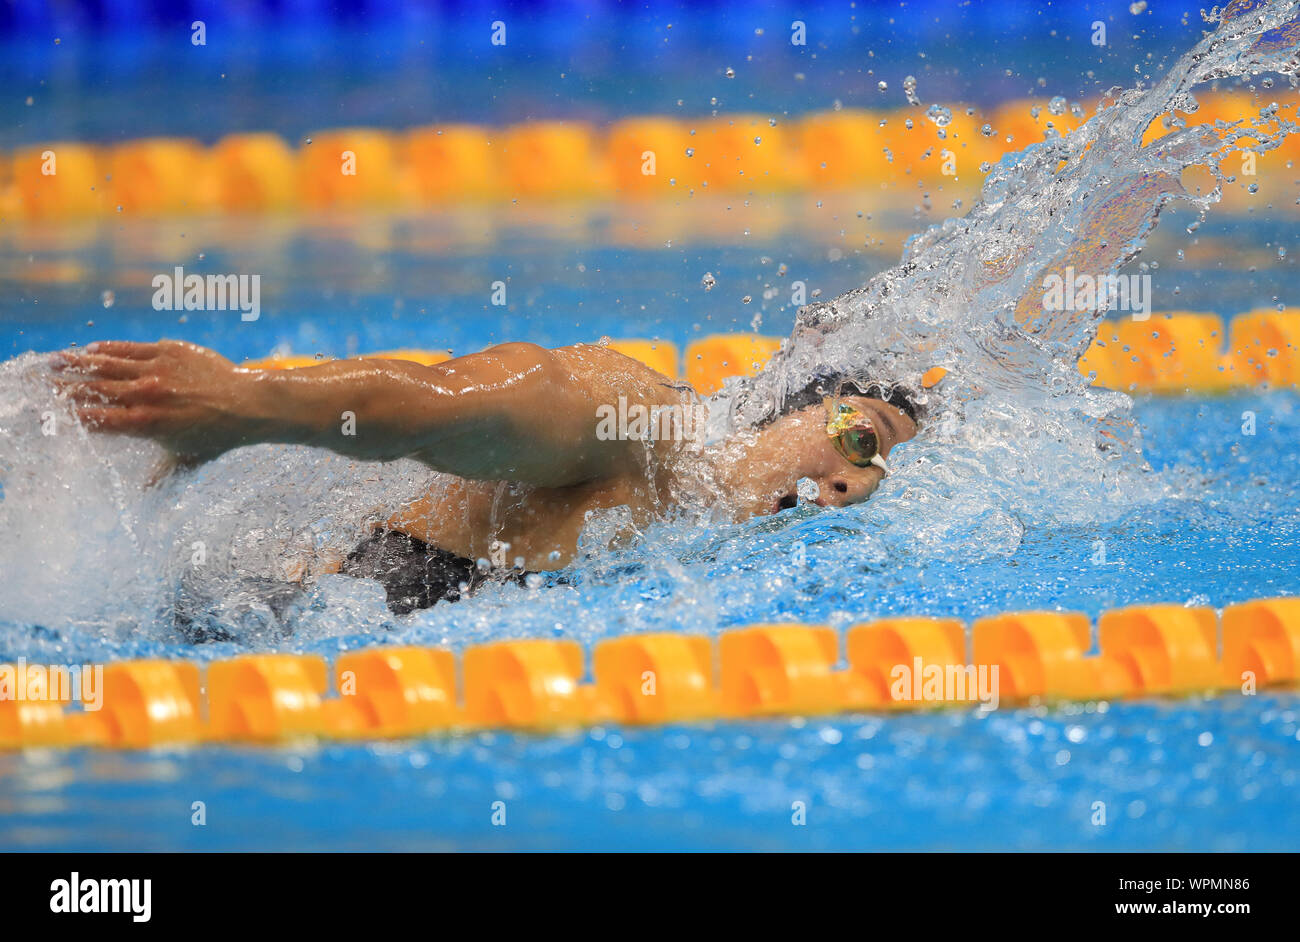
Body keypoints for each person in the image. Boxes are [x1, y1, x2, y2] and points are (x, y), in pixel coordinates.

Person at [51, 338, 919, 614]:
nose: (864, 479)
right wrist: (254, 404)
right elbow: (470, 402)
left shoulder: (716, 550)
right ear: (797, 405)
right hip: (242, 618)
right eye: (860, 437)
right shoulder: (655, 433)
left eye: (884, 468)